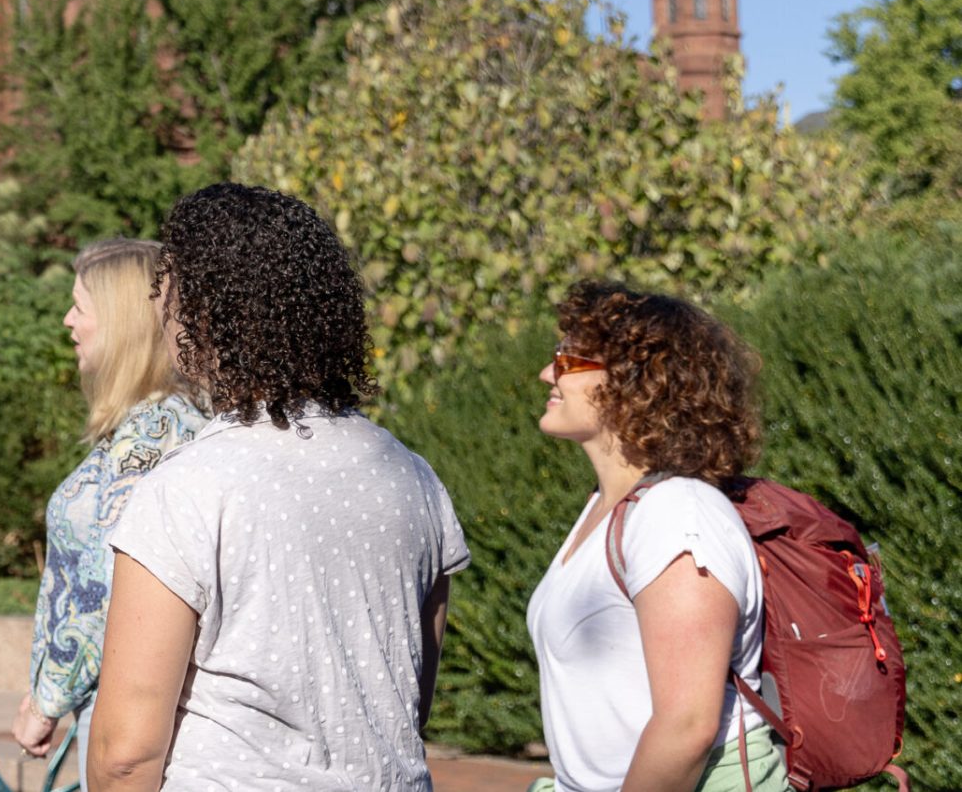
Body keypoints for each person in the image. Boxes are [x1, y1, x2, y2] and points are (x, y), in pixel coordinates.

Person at [90, 183, 469, 791]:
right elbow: (407, 699)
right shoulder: (413, 480)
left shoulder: (187, 489)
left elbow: (125, 755)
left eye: (170, 295)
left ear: (203, 316)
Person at [525, 282, 784, 792]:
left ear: (636, 382)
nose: (547, 373)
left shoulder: (676, 513)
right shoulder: (609, 509)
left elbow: (686, 727)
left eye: (571, 360)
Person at [14, 238, 207, 780]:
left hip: (126, 720)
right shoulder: (160, 424)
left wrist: (44, 701)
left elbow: (107, 590)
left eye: (80, 306)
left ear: (120, 321)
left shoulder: (149, 437)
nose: (67, 321)